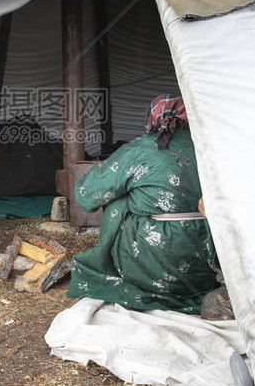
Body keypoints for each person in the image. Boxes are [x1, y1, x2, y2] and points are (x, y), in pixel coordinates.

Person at [68, 94, 220, 314]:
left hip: (152, 268)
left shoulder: (142, 149)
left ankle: (143, 279)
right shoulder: (215, 149)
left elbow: (86, 195)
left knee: (119, 198)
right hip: (211, 267)